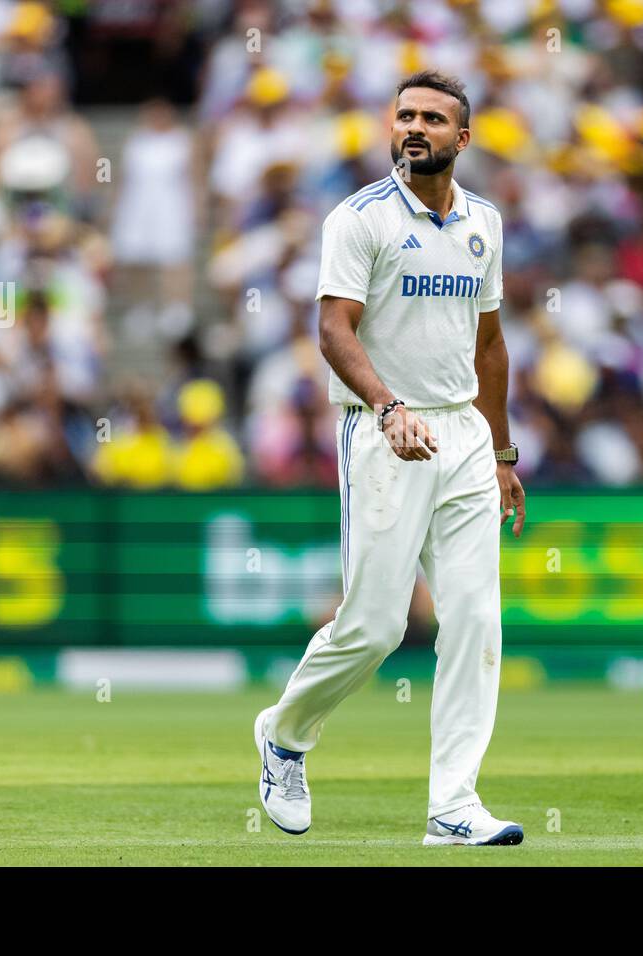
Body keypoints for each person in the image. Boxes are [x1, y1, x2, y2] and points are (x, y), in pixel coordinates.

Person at [253, 70, 528, 845]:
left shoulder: (485, 224)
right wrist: (388, 408)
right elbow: (334, 330)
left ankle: (453, 805)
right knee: (374, 625)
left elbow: (490, 341)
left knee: (475, 618)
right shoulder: (359, 218)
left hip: (466, 438)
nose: (415, 127)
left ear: (462, 139)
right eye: (404, 115)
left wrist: (503, 450)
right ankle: (285, 735)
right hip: (384, 433)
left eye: (433, 119)